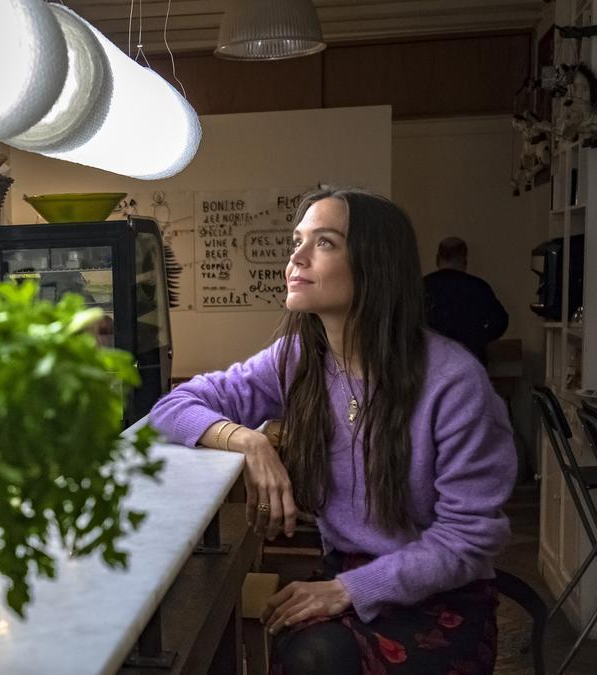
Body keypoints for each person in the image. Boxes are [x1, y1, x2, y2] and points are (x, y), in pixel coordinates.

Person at [148, 188, 516, 675]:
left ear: (375, 264)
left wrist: (347, 591)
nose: (295, 258)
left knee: (311, 657)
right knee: (303, 650)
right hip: (344, 571)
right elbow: (172, 407)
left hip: (439, 596)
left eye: (323, 243)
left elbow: (468, 540)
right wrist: (249, 441)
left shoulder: (453, 381)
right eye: (297, 240)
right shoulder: (299, 358)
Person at [423, 237, 508, 365]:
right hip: (470, 359)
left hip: (431, 362)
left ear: (438, 258)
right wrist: (479, 337)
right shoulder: (478, 287)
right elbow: (500, 322)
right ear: (464, 259)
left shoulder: (422, 287)